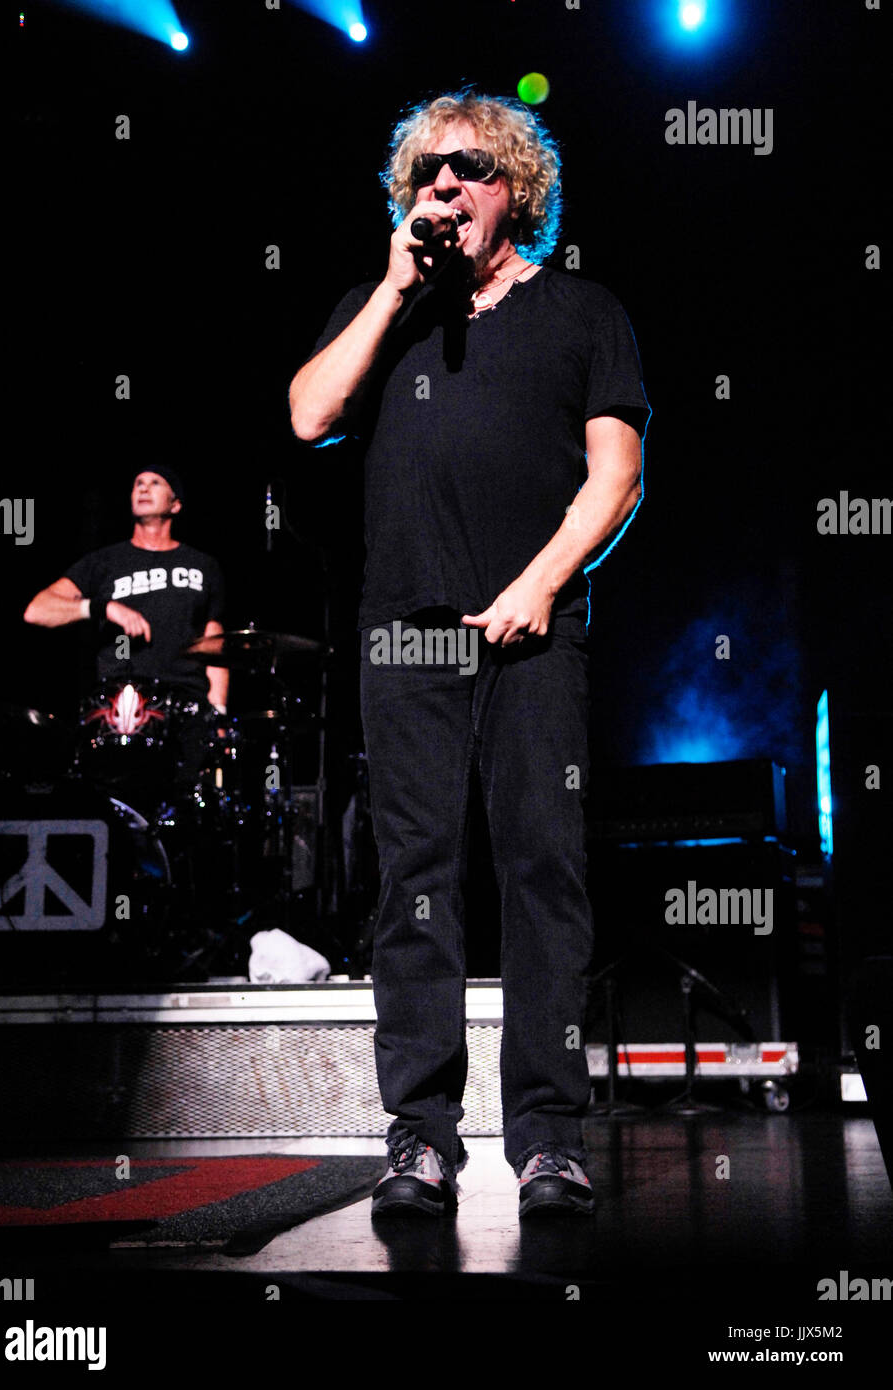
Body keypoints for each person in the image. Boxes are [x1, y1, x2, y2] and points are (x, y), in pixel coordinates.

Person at [290, 92, 650, 1218]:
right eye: (426, 173)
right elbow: (307, 415)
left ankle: (547, 1136)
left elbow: (616, 474)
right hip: (403, 639)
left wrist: (540, 582)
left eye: (468, 169)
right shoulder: (378, 308)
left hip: (533, 632)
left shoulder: (583, 311)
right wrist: (396, 286)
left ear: (514, 192)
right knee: (415, 886)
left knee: (544, 875)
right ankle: (420, 1137)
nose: (442, 186)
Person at [24, 465, 228, 797]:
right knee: (120, 805)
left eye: (155, 483)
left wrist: (218, 714)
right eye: (137, 484)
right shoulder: (104, 562)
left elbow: (215, 639)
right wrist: (100, 607)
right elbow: (36, 610)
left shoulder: (203, 565)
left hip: (186, 704)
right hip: (122, 707)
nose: (143, 489)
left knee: (186, 806)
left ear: (175, 504)